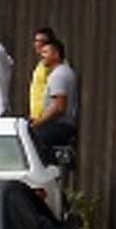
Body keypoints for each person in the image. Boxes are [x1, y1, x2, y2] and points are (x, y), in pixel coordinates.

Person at [28, 28, 80, 163]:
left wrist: (37, 123)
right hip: (56, 125)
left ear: (56, 54)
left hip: (60, 126)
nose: (42, 55)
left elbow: (59, 107)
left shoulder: (59, 74)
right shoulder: (58, 73)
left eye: (46, 52)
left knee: (29, 140)